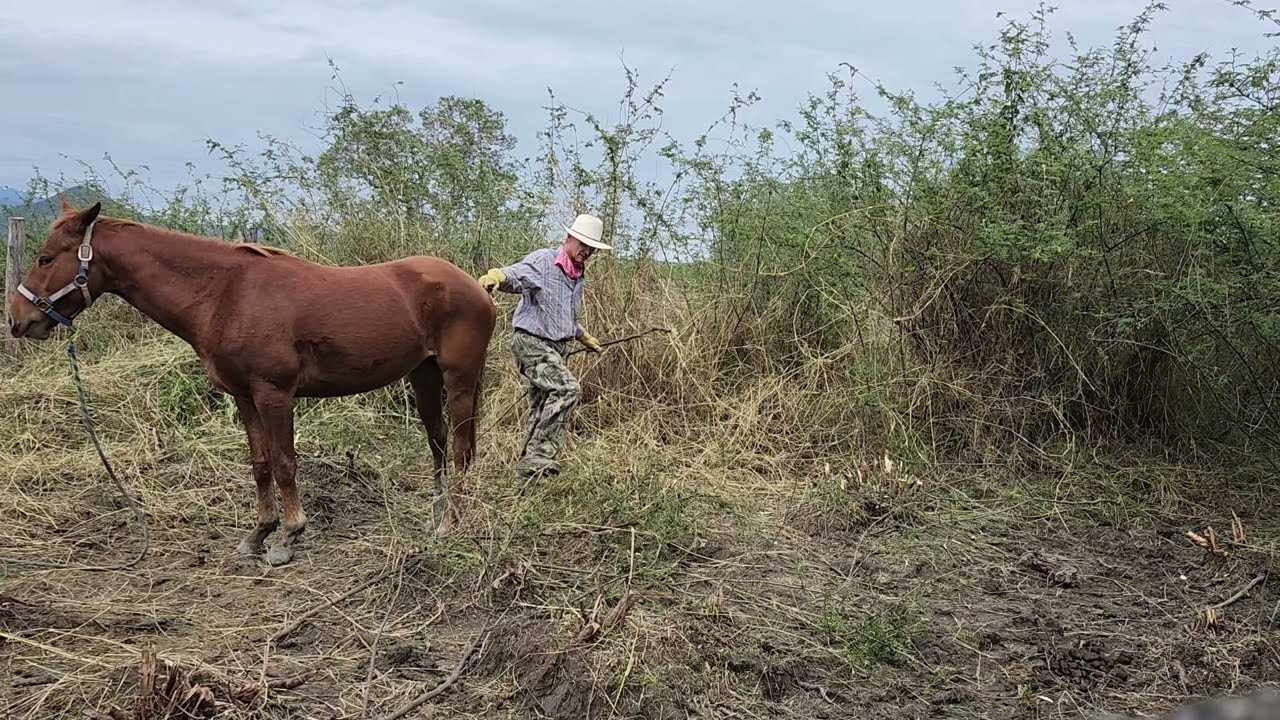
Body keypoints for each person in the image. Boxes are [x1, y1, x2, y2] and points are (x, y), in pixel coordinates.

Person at [477, 213, 611, 476]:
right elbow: (515, 275)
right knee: (567, 389)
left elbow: (563, 314)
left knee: (540, 406)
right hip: (531, 342)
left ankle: (527, 470)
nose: (587, 251)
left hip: (556, 348)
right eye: (582, 244)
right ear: (569, 238)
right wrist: (496, 277)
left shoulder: (576, 274)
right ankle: (540, 457)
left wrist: (582, 335)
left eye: (592, 248)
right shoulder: (544, 260)